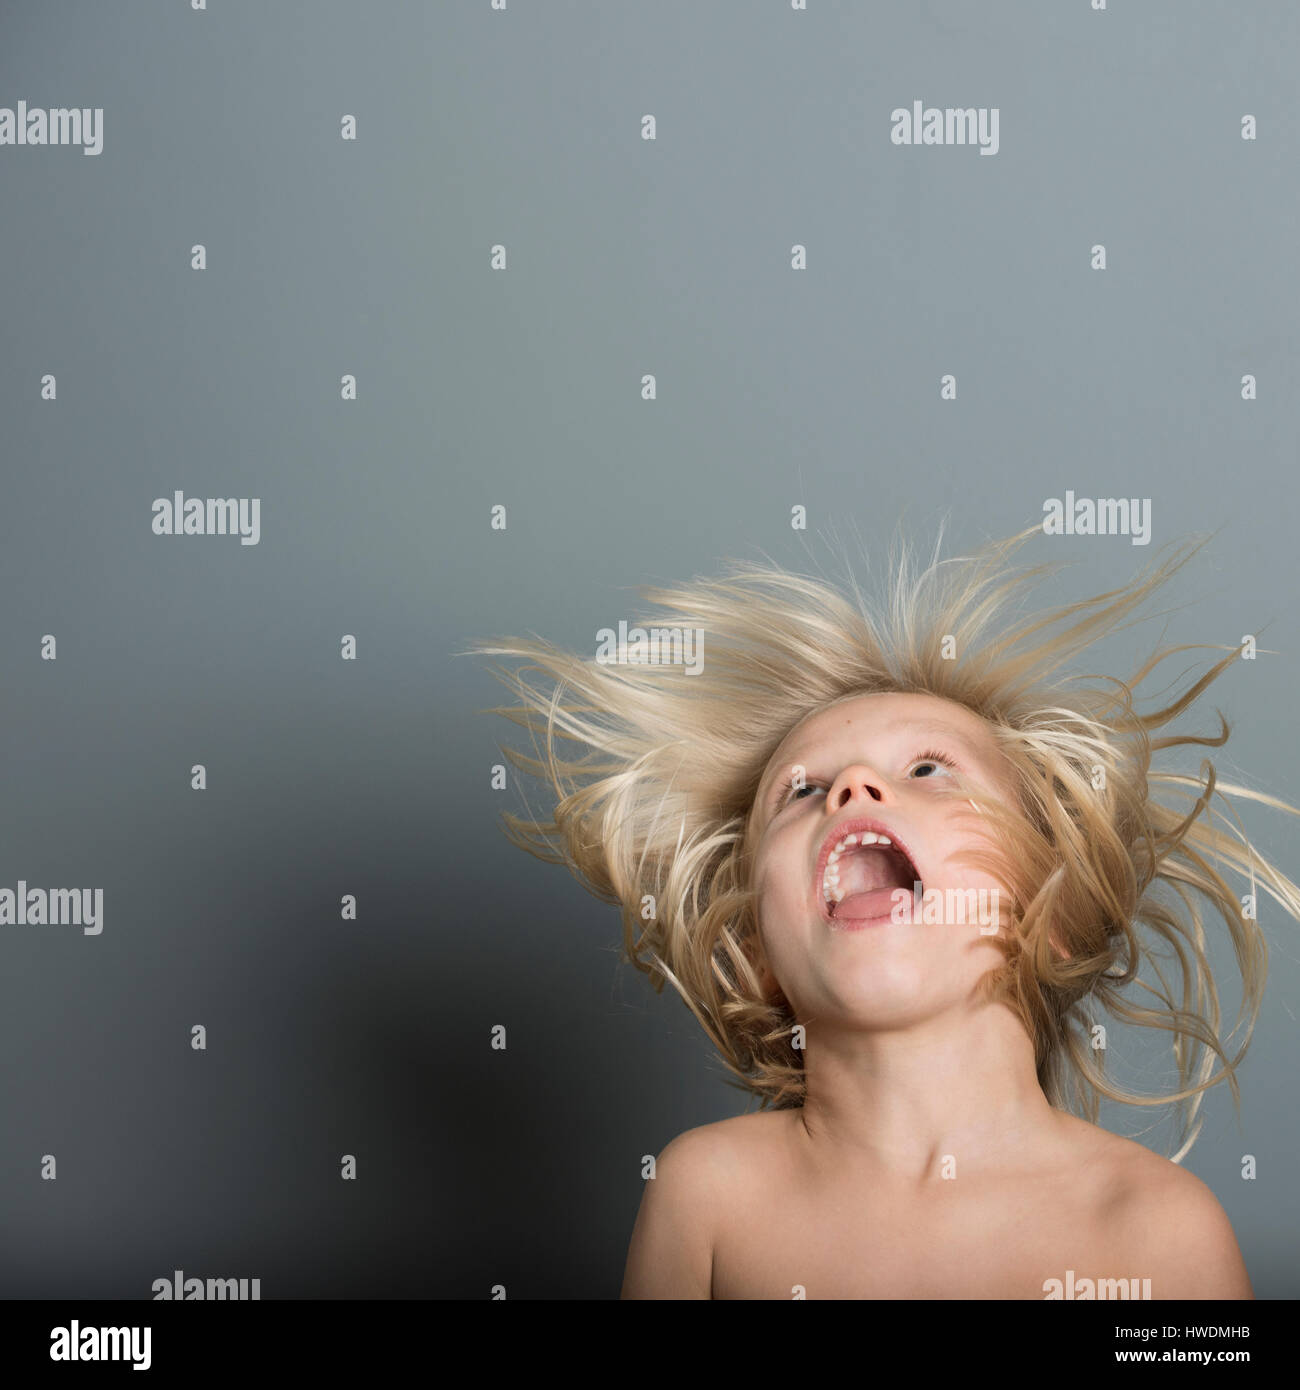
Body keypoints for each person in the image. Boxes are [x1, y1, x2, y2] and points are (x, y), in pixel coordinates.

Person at [473, 523, 1298, 1298]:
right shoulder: (709, 1197)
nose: (851, 788)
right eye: (799, 791)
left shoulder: (1159, 1234)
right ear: (760, 952)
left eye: (930, 770)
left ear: (1051, 908)